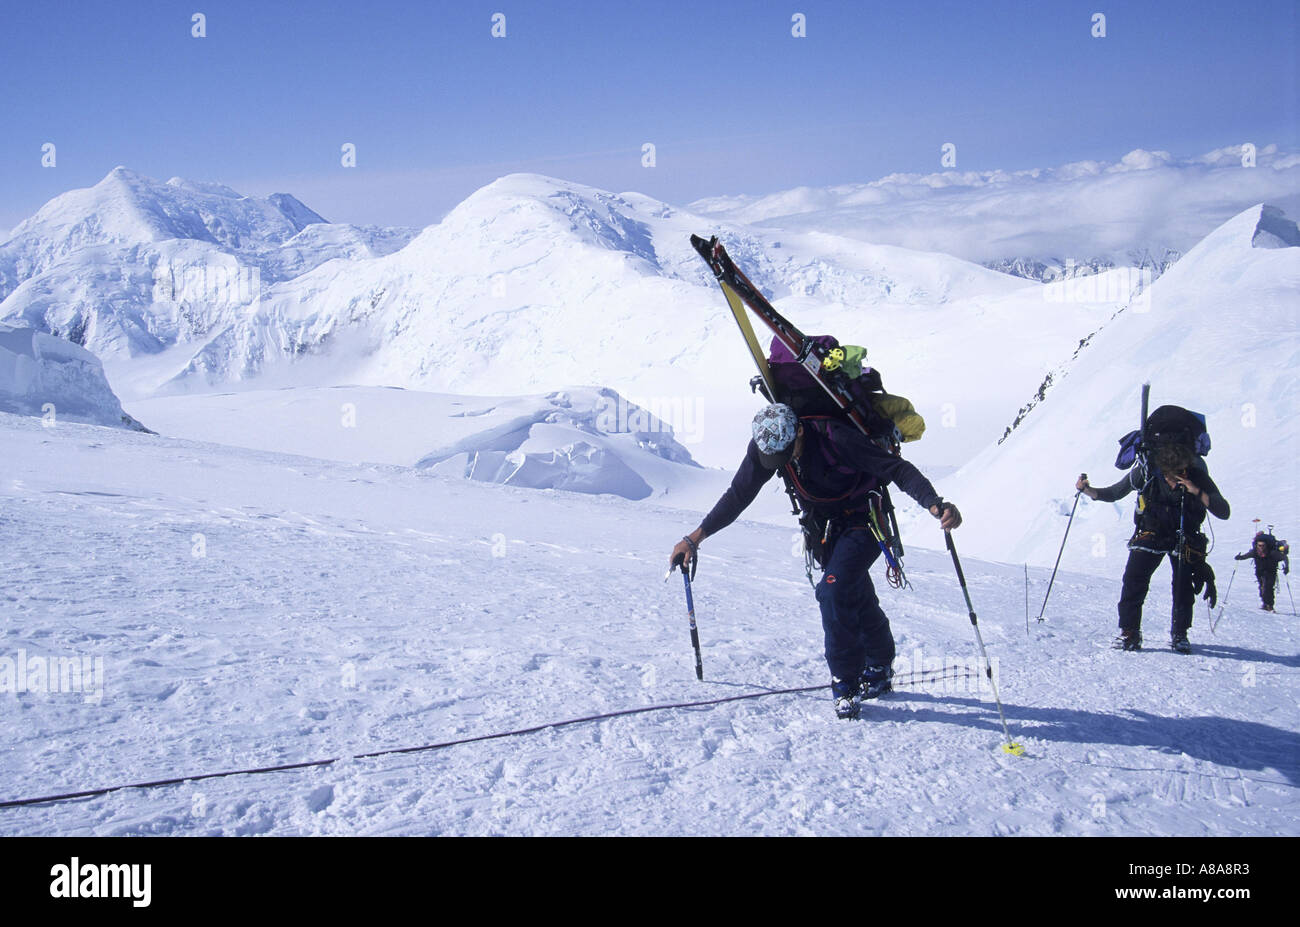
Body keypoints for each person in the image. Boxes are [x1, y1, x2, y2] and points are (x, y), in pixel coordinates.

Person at [668, 403, 960, 719]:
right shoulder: (769, 444)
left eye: (786, 453)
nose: (782, 462)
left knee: (833, 591)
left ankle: (845, 686)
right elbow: (740, 494)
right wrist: (694, 538)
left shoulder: (837, 438)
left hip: (864, 521)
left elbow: (896, 469)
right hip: (824, 530)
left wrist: (933, 504)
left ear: (801, 431)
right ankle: (879, 663)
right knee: (852, 590)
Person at [1076, 406, 1229, 653]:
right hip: (1153, 530)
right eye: (1169, 475)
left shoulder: (1197, 475)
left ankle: (1179, 634)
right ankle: (1130, 632)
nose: (1173, 479)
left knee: (1181, 585)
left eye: (1178, 474)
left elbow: (1223, 511)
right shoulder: (1148, 470)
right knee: (1134, 579)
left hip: (1182, 534)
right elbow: (1115, 492)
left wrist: (1196, 490)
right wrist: (1087, 490)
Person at [1235, 532, 1289, 612]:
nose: (1261, 547)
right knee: (1263, 587)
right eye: (1259, 545)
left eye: (1263, 545)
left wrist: (1286, 567)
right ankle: (1265, 604)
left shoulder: (1273, 553)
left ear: (1266, 545)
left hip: (1271, 572)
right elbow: (1246, 556)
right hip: (1260, 572)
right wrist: (1240, 557)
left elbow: (1284, 558)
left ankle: (1269, 605)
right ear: (1256, 545)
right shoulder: (1255, 552)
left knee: (1268, 588)